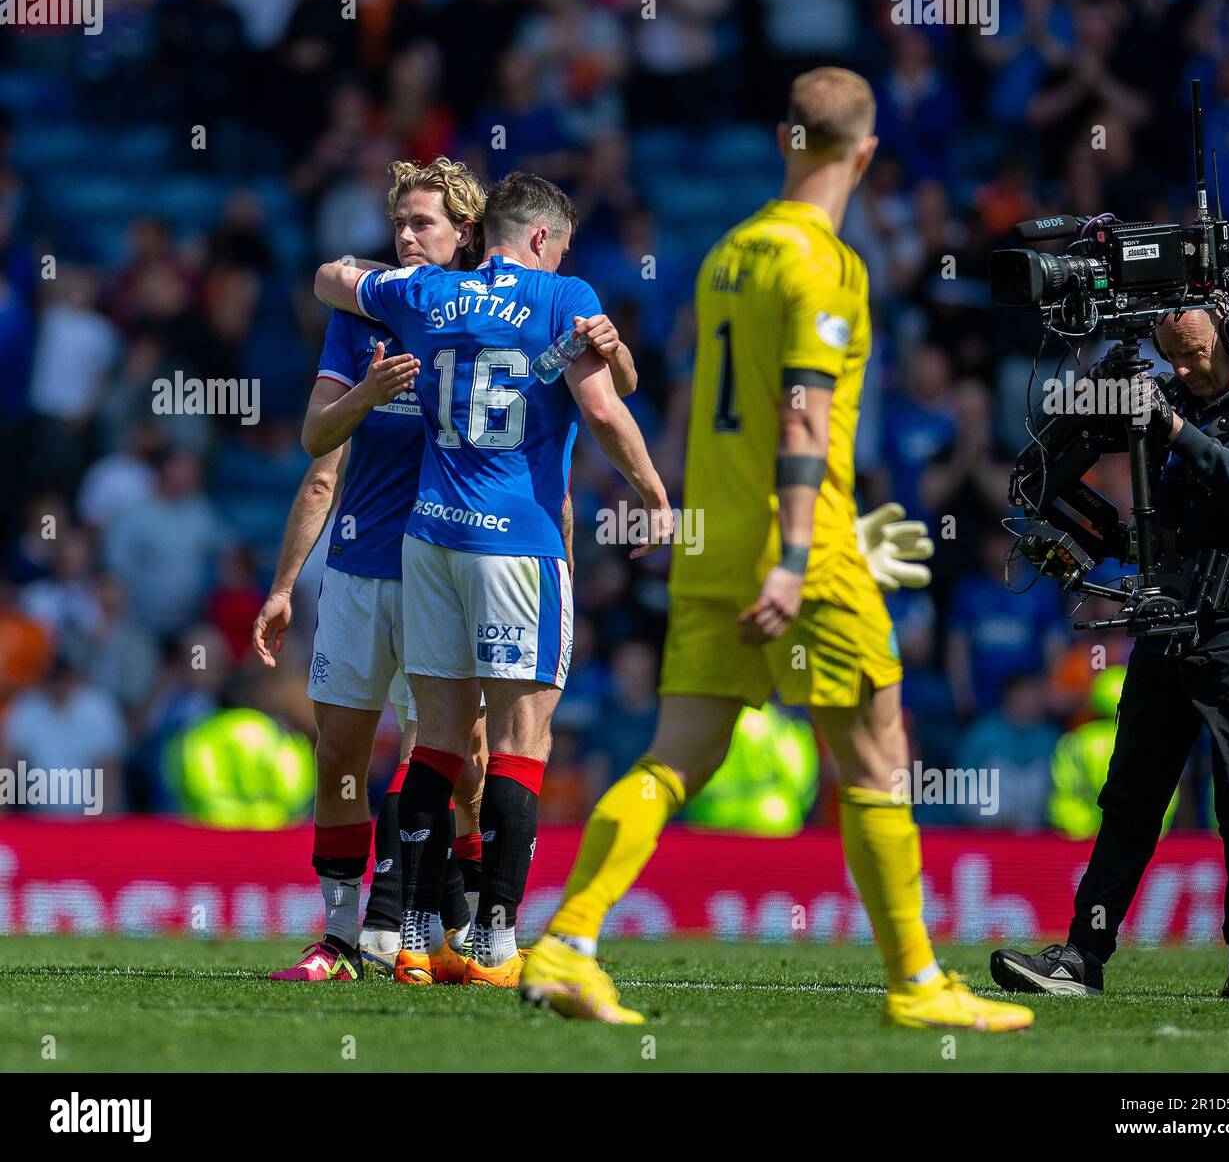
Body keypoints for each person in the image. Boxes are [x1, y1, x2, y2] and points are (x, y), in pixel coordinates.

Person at [519, 67, 1033, 1032]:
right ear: (867, 155)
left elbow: (699, 406)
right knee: (878, 758)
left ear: (784, 139)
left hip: (713, 547)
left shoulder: (728, 255)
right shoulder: (826, 264)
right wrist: (799, 554)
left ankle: (566, 942)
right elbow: (803, 419)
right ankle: (918, 982)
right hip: (803, 551)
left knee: (677, 757)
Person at [313, 171, 669, 988]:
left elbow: (335, 276)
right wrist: (653, 491)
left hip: (428, 539)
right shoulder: (560, 295)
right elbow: (606, 413)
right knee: (517, 748)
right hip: (516, 544)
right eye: (564, 247)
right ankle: (495, 943)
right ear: (542, 238)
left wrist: (362, 276)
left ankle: (408, 938)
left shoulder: (430, 292)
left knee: (433, 744)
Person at [992, 302, 1229, 1000]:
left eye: (1195, 356)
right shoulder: (1165, 390)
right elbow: (1045, 449)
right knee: (1130, 797)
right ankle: (1082, 957)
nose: (1184, 371)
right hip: (1170, 614)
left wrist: (1170, 426)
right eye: (1173, 358)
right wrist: (1104, 384)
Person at [257, 156, 488, 982]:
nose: (407, 237)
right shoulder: (363, 317)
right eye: (400, 223)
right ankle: (345, 938)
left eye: (424, 223)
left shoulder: (485, 318)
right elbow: (320, 452)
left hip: (450, 571)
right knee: (339, 756)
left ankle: (457, 920)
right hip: (358, 571)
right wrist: (285, 586)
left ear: (465, 233)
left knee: (461, 765)